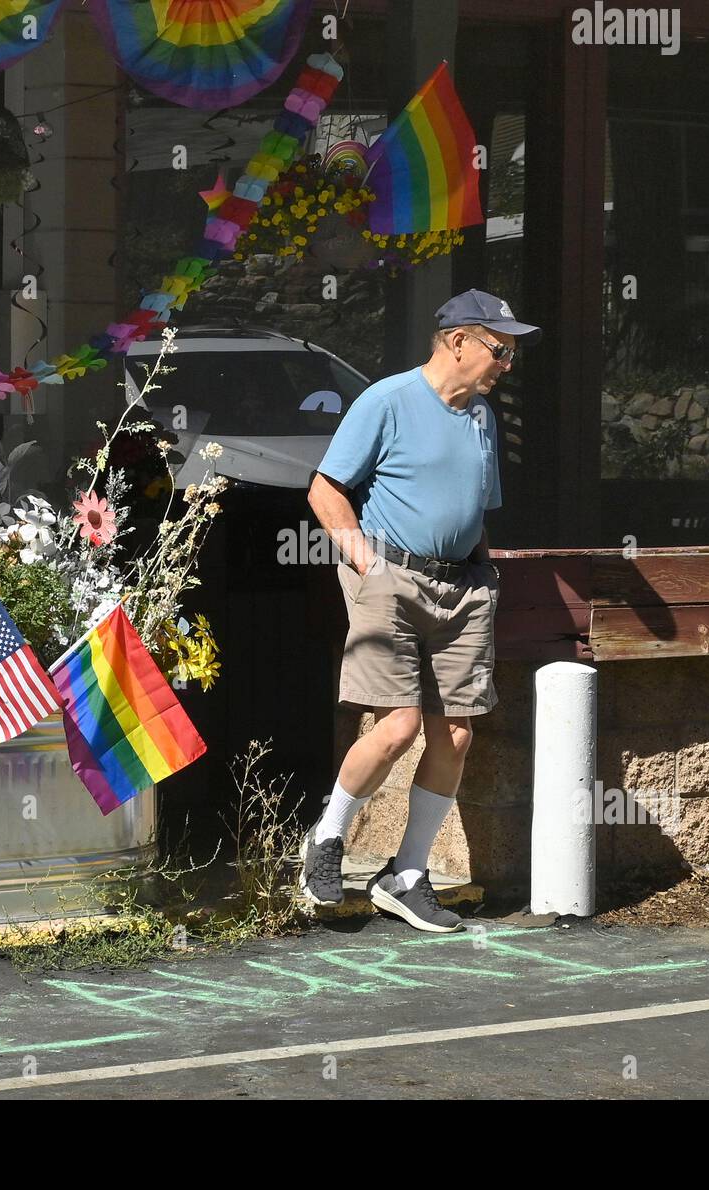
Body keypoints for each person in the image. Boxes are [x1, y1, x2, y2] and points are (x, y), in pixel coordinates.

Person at [300, 289, 540, 932]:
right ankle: (326, 841)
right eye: (500, 348)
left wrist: (483, 574)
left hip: (464, 586)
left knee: (456, 733)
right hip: (391, 576)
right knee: (398, 726)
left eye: (512, 351)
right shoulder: (388, 398)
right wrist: (365, 562)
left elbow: (474, 509)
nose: (506, 363)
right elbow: (326, 490)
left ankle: (406, 875)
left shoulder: (482, 416)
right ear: (457, 340)